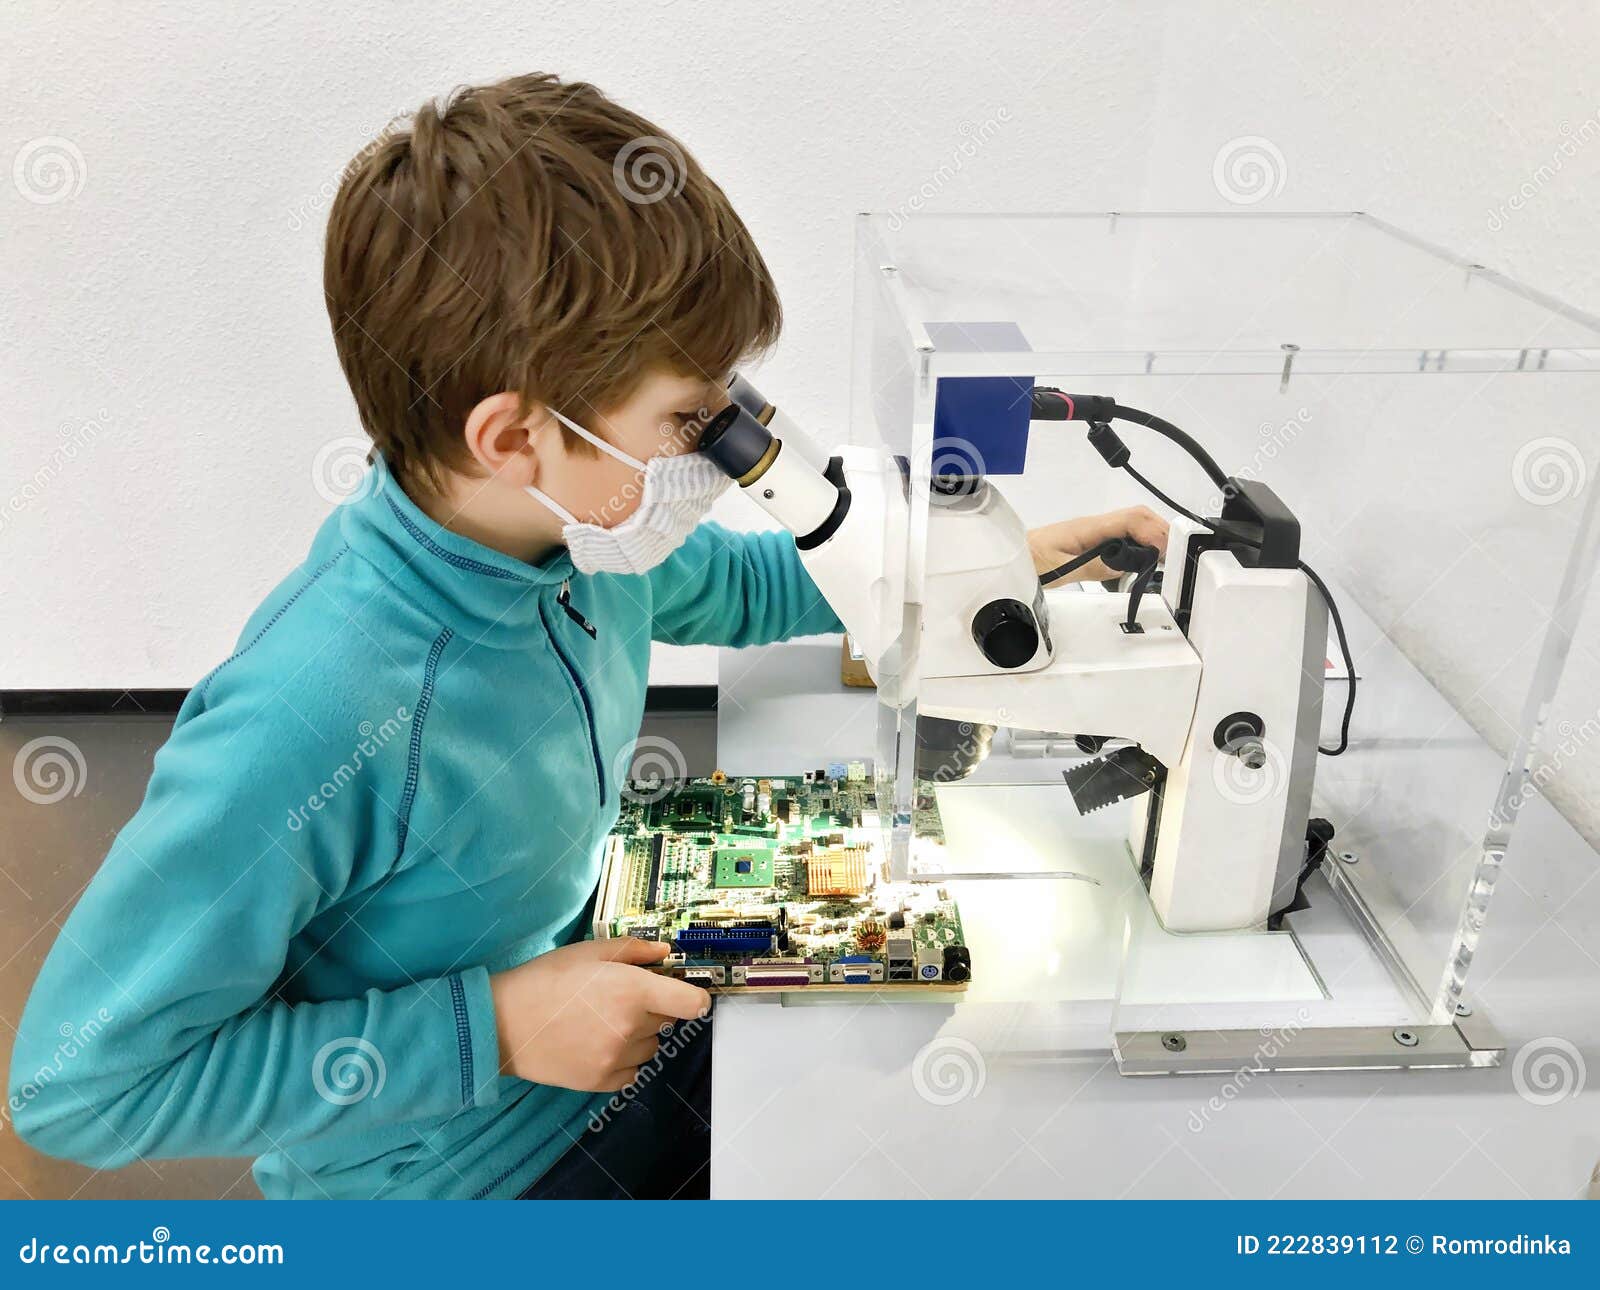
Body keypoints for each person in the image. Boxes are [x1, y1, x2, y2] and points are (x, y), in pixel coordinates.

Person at [10, 73, 1165, 1199]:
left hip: (614, 1014)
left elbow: (753, 589)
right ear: (515, 437)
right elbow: (77, 1089)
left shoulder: (579, 544)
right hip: (470, 1177)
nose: (719, 451)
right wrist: (496, 1030)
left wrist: (989, 569)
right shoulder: (321, 710)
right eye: (686, 421)